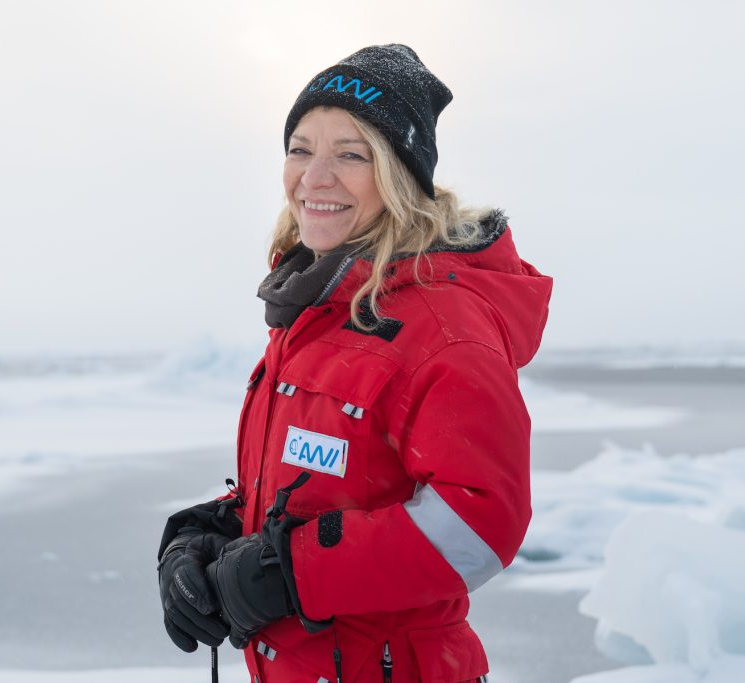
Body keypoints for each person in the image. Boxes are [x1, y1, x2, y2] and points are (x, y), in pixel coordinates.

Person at [157, 44, 552, 683]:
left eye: (351, 153)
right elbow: (332, 478)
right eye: (300, 148)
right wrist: (210, 534)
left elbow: (480, 521)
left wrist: (288, 573)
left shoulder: (445, 324)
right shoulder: (320, 309)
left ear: (401, 174)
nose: (315, 176)